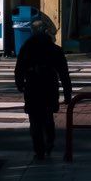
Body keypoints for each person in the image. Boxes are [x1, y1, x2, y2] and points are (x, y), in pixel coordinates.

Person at [13, 21, 72, 159]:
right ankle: (49, 142)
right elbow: (64, 74)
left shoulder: (27, 47)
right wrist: (67, 93)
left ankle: (39, 150)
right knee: (48, 116)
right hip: (49, 85)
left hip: (32, 85)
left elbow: (19, 69)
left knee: (34, 120)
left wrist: (20, 84)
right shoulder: (54, 49)